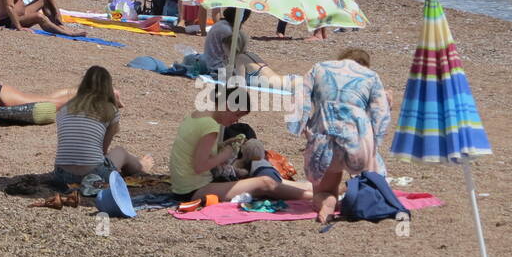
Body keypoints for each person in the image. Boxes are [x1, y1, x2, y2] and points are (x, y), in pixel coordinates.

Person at [290, 48, 393, 225]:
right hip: (357, 138)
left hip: (324, 136)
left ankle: (328, 203)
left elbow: (300, 97)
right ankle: (352, 201)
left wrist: (301, 127)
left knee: (324, 190)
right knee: (371, 184)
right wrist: (375, 143)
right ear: (365, 64)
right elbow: (380, 115)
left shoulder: (319, 68)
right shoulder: (371, 76)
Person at [168, 84, 309, 203]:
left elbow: (197, 150)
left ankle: (314, 188)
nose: (236, 121)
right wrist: (225, 154)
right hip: (193, 191)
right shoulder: (210, 126)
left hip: (183, 186)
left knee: (271, 182)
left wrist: (226, 145)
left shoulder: (197, 115)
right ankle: (316, 197)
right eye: (237, 115)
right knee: (265, 183)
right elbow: (200, 166)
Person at [49, 65, 154, 189]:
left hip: (61, 176)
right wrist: (115, 104)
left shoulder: (66, 108)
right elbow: (103, 151)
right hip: (93, 176)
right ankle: (141, 166)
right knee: (120, 152)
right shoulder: (109, 109)